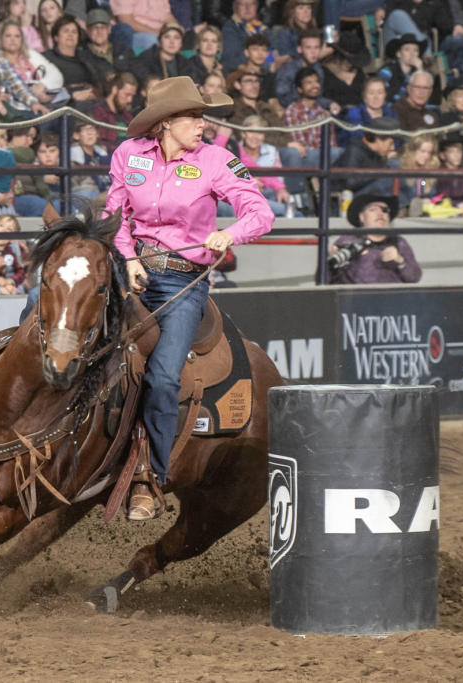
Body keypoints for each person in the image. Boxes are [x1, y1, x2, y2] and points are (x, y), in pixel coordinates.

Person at [105, 76, 274, 519]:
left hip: (183, 282)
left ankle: (151, 477)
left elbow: (261, 212)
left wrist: (230, 233)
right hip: (131, 271)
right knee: (56, 318)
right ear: (164, 122)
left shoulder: (217, 160)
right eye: (193, 116)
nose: (202, 124)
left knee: (164, 376)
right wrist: (128, 258)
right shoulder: (128, 154)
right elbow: (115, 215)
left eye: (202, 116)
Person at [327, 193, 422, 284]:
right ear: (362, 217)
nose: (380, 213)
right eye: (373, 209)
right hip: (355, 295)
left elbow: (415, 278)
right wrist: (330, 262)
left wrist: (401, 261)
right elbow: (325, 280)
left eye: (385, 210)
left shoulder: (399, 242)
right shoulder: (346, 241)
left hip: (391, 295)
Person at [279, 67, 339, 196]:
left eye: (316, 81)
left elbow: (332, 144)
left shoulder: (325, 114)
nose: (314, 85)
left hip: (322, 156)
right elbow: (300, 146)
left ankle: (334, 196)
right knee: (335, 153)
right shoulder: (292, 111)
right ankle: (300, 198)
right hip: (302, 158)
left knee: (339, 153)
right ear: (299, 89)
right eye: (309, 82)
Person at [0, 18, 62, 104]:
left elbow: (56, 74)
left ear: (22, 39)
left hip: (43, 104)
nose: (13, 39)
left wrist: (43, 85)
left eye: (17, 36)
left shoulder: (31, 55)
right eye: (8, 35)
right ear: (1, 38)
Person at [331, 116, 399, 196]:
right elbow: (350, 183)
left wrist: (386, 161)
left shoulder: (379, 154)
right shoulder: (354, 151)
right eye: (391, 143)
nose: (392, 148)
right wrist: (379, 172)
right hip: (346, 197)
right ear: (378, 139)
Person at [41, 15, 102, 102]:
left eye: (74, 32)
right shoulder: (46, 58)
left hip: (90, 102)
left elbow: (98, 85)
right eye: (66, 31)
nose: (70, 35)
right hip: (62, 105)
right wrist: (72, 95)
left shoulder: (86, 58)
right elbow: (41, 91)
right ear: (56, 37)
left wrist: (91, 95)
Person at [274, 28, 335, 109]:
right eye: (308, 48)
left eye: (316, 47)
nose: (313, 52)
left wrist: (330, 104)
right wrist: (305, 103)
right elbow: (282, 99)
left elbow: (316, 98)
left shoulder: (319, 70)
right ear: (299, 49)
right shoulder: (288, 70)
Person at [382, 0, 457, 59]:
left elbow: (447, 27)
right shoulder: (398, 2)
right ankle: (425, 50)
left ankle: (424, 49)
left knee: (456, 39)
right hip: (395, 40)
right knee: (397, 14)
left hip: (418, 44)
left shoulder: (433, 4)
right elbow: (389, 20)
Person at [87, 72, 138, 153]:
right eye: (127, 94)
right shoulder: (98, 111)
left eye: (132, 96)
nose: (130, 100)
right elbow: (100, 144)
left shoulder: (127, 114)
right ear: (115, 89)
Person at [341, 76, 395, 147]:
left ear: (385, 94)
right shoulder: (354, 113)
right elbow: (357, 139)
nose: (376, 97)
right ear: (364, 95)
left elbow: (396, 141)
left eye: (380, 92)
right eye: (371, 93)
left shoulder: (392, 114)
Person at [320, 33, 369, 110]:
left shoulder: (359, 73)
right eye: (345, 59)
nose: (349, 63)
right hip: (333, 113)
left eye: (353, 60)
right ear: (338, 55)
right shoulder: (325, 71)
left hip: (358, 113)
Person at [85, 8, 136, 79]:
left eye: (103, 27)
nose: (99, 31)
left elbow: (138, 69)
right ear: (88, 30)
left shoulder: (123, 50)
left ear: (109, 29)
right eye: (95, 27)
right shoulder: (83, 55)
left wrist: (148, 80)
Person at [378, 33, 429, 103]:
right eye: (407, 49)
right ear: (399, 54)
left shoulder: (416, 73)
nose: (412, 53)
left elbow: (424, 99)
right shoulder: (387, 71)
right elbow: (381, 96)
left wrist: (420, 71)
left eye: (415, 50)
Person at [111, 0, 178, 53]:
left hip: (159, 33)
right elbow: (127, 21)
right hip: (132, 35)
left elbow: (168, 16)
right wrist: (158, 32)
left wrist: (177, 29)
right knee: (153, 40)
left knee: (180, 37)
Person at [220, 0, 270, 71]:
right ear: (235, 7)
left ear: (256, 7)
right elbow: (231, 61)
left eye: (251, 3)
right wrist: (268, 65)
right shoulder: (230, 28)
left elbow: (276, 54)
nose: (248, 7)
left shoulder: (265, 30)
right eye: (243, 4)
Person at [397, 134, 439, 213]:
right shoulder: (399, 167)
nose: (426, 156)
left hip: (423, 214)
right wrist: (418, 203)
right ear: (412, 150)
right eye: (423, 151)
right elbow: (399, 197)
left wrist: (430, 201)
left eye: (429, 152)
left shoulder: (430, 169)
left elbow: (431, 194)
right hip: (403, 213)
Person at [70, 121, 110, 200]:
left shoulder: (103, 153)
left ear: (97, 134)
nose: (89, 133)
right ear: (76, 135)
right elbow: (75, 187)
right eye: (84, 129)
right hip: (87, 195)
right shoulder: (72, 157)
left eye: (92, 129)